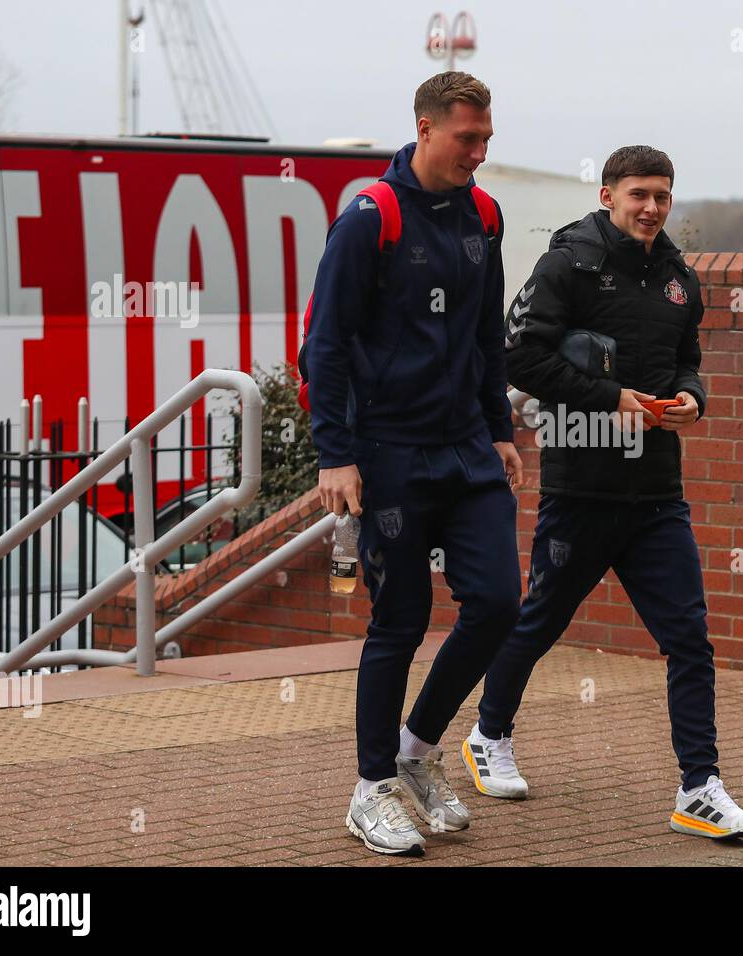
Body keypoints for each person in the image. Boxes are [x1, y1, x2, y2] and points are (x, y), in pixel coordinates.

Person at [460, 145, 743, 840]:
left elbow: (687, 360)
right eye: (638, 195)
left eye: (662, 195)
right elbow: (519, 355)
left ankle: (699, 788)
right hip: (582, 486)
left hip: (658, 494)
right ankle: (488, 734)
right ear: (608, 196)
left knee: (690, 638)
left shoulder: (682, 279)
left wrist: (692, 396)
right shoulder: (568, 263)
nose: (651, 207)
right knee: (538, 623)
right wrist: (609, 398)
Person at [305, 72, 522, 857]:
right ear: (425, 129)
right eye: (468, 137)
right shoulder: (371, 217)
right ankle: (371, 791)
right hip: (389, 449)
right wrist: (337, 454)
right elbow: (324, 344)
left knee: (499, 602)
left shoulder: (485, 215)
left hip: (466, 445)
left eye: (487, 137)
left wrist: (499, 429)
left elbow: (486, 334)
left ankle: (416, 752)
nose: (479, 151)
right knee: (398, 622)